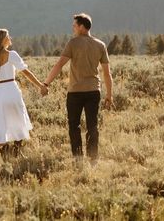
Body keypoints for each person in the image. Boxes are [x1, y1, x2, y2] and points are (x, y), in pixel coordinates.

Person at [42, 13, 113, 163]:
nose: (73, 27)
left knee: (74, 125)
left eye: (74, 25)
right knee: (92, 125)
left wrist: (46, 83)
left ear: (81, 27)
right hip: (94, 91)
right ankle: (93, 158)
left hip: (75, 92)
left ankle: (78, 158)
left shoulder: (73, 44)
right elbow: (107, 73)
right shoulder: (100, 45)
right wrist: (109, 95)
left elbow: (59, 65)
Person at [0, 28, 48, 160]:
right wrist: (40, 85)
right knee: (18, 121)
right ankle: (16, 151)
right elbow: (26, 72)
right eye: (8, 36)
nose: (10, 38)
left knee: (2, 123)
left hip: (0, 92)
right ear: (2, 40)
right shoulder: (12, 54)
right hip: (12, 90)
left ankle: (5, 154)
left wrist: (0, 93)